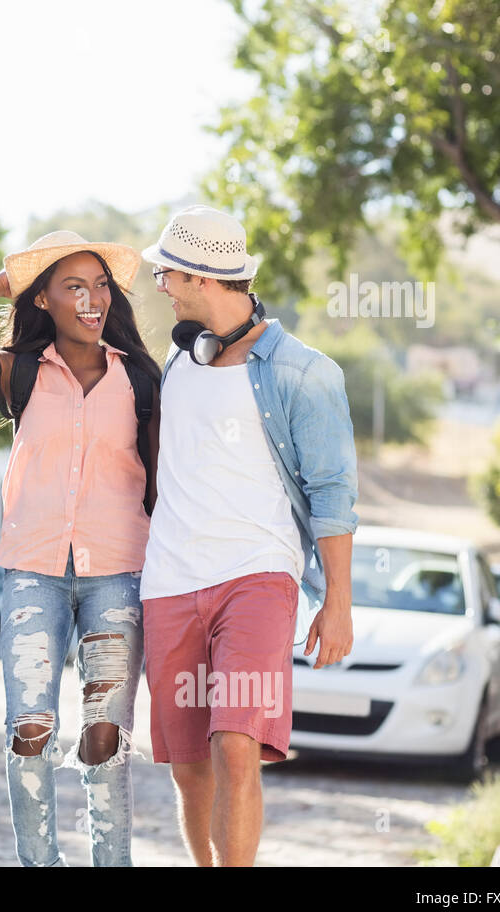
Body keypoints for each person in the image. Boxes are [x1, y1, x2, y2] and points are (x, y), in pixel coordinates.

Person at [139, 205, 358, 866]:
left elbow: (333, 491)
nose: (161, 286)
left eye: (168, 274)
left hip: (257, 577)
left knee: (235, 745)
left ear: (203, 277)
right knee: (189, 766)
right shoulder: (179, 361)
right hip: (170, 581)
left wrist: (338, 602)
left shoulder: (304, 372)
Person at [0, 231, 161, 867]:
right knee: (28, 731)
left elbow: (164, 478)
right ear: (43, 300)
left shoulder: (141, 378)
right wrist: (0, 282)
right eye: (73, 287)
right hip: (34, 572)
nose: (92, 299)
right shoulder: (23, 371)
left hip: (118, 572)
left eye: (100, 286)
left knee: (105, 735)